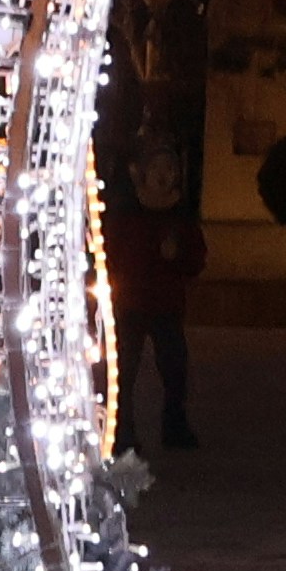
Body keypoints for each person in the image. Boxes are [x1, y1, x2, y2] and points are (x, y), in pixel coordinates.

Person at [102, 151, 205, 450]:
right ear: (142, 173)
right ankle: (122, 432)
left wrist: (179, 256)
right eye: (156, 167)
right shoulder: (127, 212)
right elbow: (111, 252)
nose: (163, 174)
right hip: (130, 304)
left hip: (167, 306)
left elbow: (196, 260)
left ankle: (175, 427)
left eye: (169, 168)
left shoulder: (180, 215)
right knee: (123, 372)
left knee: (175, 370)